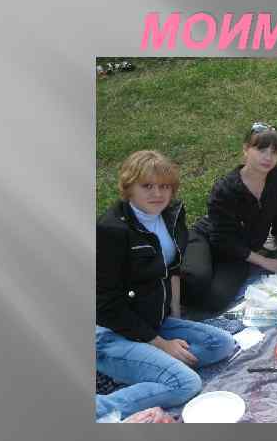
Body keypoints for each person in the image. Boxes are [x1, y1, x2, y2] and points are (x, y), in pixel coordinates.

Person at [96, 150, 235, 419]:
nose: (157, 193)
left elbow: (173, 269)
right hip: (112, 333)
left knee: (222, 344)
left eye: (164, 186)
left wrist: (177, 317)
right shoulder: (111, 230)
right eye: (147, 186)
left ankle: (146, 369)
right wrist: (161, 344)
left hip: (153, 320)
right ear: (129, 188)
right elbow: (105, 305)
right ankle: (100, 406)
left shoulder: (171, 214)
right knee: (187, 384)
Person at [183, 123, 277, 313]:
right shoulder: (226, 189)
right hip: (207, 238)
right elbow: (222, 238)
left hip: (239, 252)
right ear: (246, 149)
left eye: (274, 152)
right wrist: (264, 261)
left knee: (216, 300)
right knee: (196, 278)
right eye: (261, 150)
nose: (268, 157)